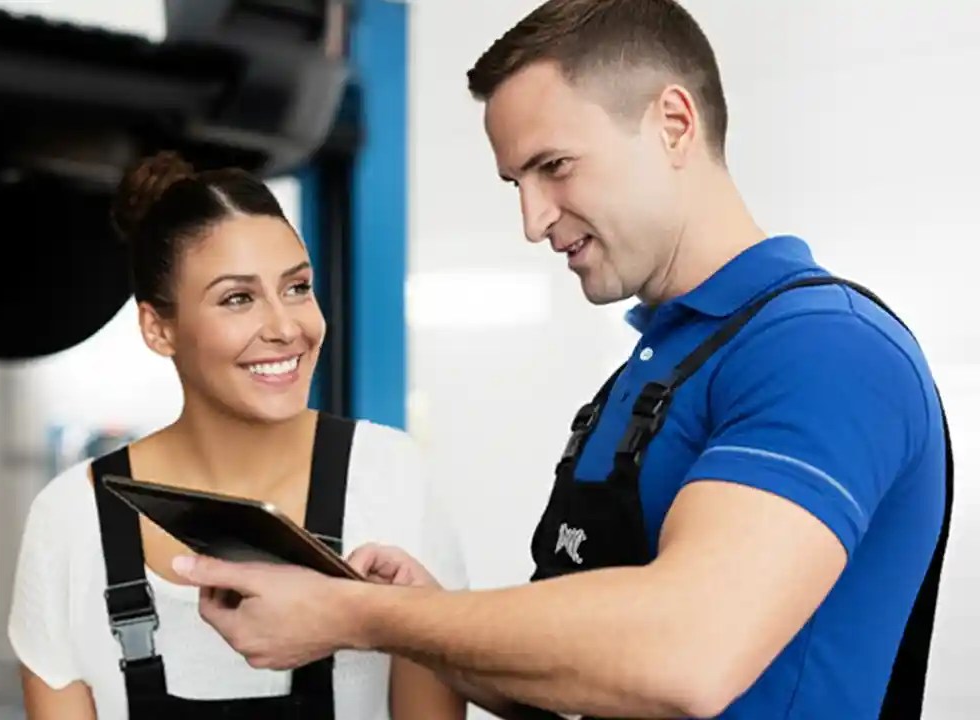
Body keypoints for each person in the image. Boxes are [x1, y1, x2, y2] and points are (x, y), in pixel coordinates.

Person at [165, 2, 953, 719]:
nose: (534, 221)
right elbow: (584, 674)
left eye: (555, 167)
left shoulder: (826, 349)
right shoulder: (651, 370)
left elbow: (687, 655)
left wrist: (359, 616)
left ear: (673, 124)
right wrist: (425, 617)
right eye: (517, 182)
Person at [5, 150, 469, 719]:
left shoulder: (390, 477)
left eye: (297, 288)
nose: (285, 327)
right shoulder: (70, 519)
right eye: (238, 299)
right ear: (158, 328)